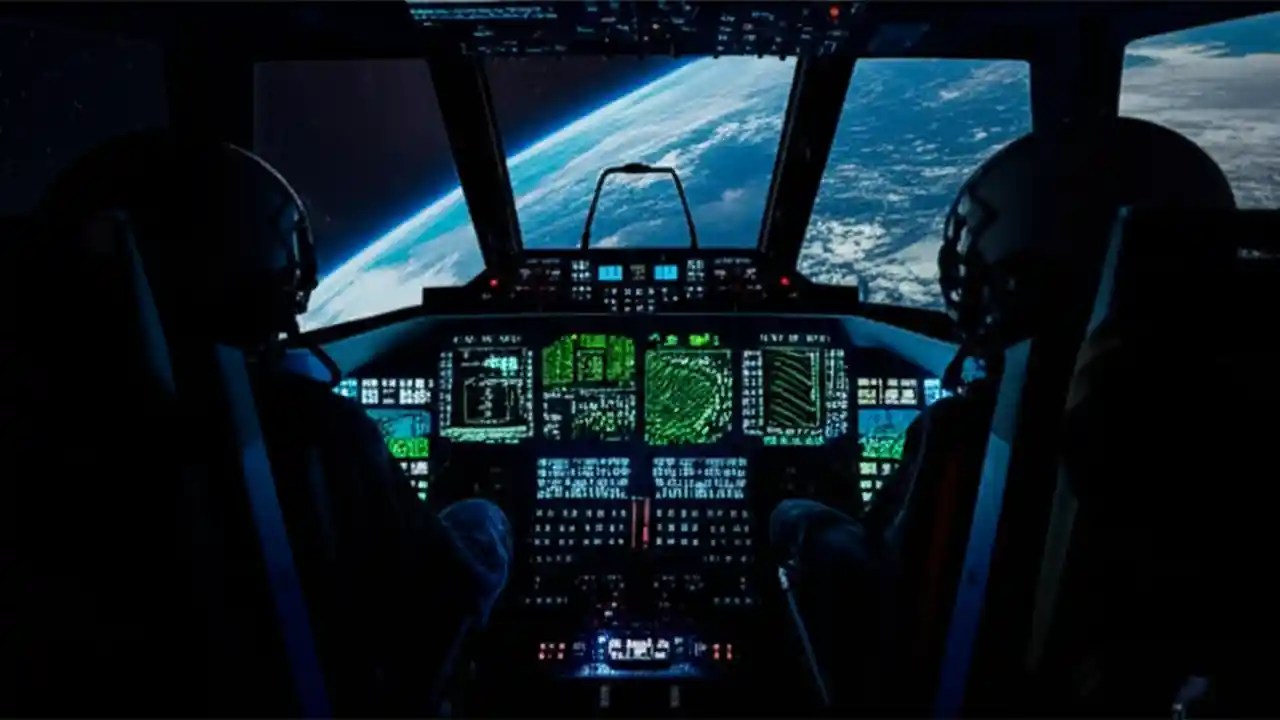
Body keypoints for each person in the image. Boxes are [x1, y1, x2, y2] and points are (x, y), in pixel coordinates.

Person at [25, 131, 513, 715]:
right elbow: (450, 596)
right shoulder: (308, 430)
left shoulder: (36, 437)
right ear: (271, 266)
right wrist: (485, 518)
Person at [770, 116, 1237, 713]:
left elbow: (878, 580)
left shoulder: (967, 438)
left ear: (1016, 277)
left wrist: (807, 509)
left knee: (797, 518)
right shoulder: (1236, 420)